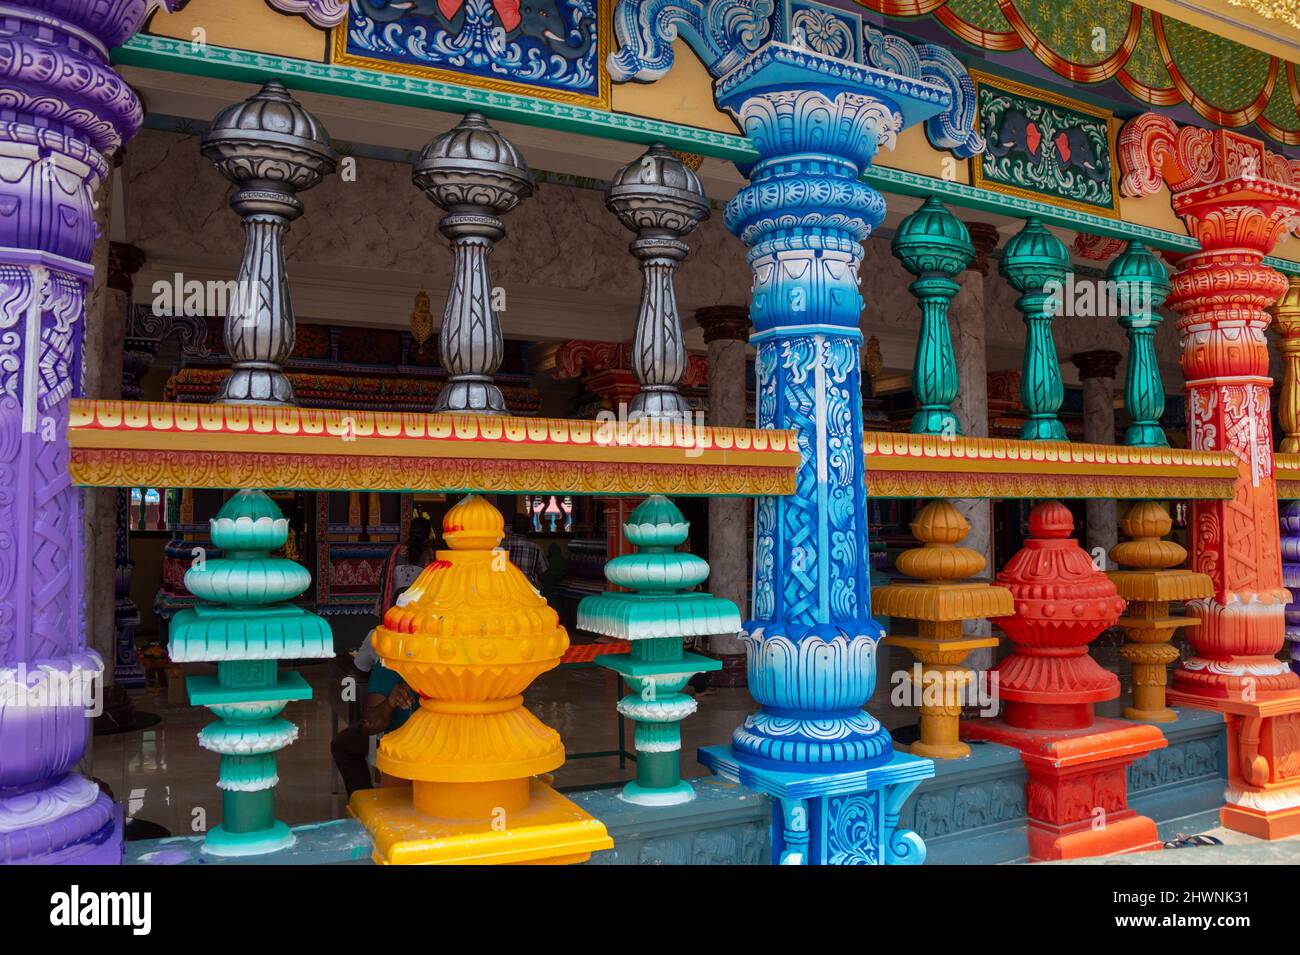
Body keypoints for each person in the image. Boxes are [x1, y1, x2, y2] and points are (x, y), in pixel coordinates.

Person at [329, 660, 418, 796]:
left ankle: (363, 804)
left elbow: (359, 668)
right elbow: (371, 724)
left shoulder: (390, 662)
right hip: (398, 751)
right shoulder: (389, 664)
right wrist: (389, 702)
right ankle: (364, 803)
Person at [374, 515, 435, 616]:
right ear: (427, 535)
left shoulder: (394, 551)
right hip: (418, 612)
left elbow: (382, 580)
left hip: (393, 608)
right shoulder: (430, 555)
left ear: (410, 532)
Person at [504, 511, 547, 588]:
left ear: (512, 528)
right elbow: (544, 573)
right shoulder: (536, 549)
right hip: (528, 592)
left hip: (506, 591)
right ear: (528, 529)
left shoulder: (501, 546)